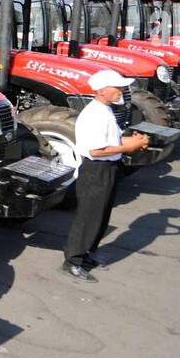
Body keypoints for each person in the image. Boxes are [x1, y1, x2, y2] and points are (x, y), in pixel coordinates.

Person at [62, 70, 150, 282]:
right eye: (116, 87)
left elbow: (114, 138)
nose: (121, 91)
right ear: (101, 91)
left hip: (107, 169)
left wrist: (131, 140)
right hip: (95, 170)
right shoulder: (94, 115)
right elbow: (96, 150)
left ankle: (87, 254)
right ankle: (73, 260)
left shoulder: (105, 110)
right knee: (88, 217)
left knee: (101, 215)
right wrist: (132, 146)